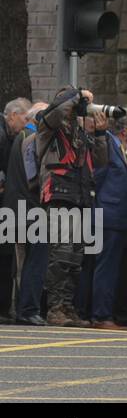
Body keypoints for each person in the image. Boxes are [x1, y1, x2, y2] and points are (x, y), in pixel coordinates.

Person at [38, 88, 106, 328]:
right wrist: (79, 94)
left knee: (76, 257)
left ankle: (67, 307)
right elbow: (57, 109)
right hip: (59, 193)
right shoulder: (49, 126)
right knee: (61, 253)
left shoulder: (80, 131)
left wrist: (99, 132)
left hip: (80, 196)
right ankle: (54, 308)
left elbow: (100, 160)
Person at [88, 114, 127, 330]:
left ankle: (103, 313)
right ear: (124, 129)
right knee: (105, 268)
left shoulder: (117, 145)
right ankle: (101, 315)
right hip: (108, 214)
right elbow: (97, 175)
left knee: (110, 267)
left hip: (117, 215)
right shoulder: (107, 142)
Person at [7, 101, 47, 325]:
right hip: (30, 208)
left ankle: (22, 308)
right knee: (35, 260)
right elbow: (34, 179)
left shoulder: (21, 137)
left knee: (23, 261)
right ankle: (28, 309)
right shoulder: (31, 139)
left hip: (19, 207)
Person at [0, 97, 32, 321]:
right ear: (12, 115)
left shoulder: (7, 135)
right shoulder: (3, 136)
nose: (25, 122)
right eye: (24, 117)